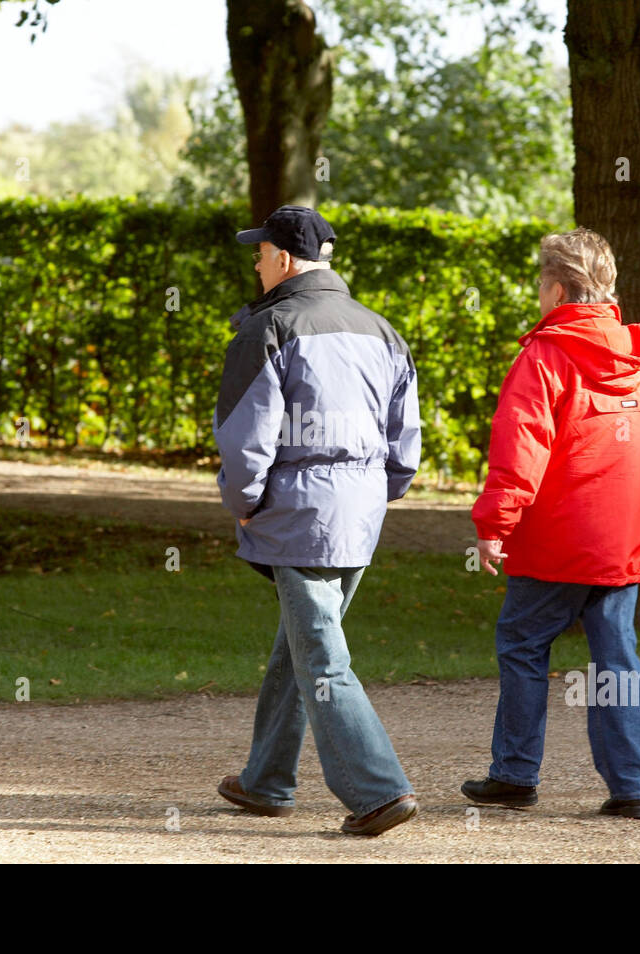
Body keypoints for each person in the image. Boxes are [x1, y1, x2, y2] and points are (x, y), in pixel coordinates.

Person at [212, 205, 422, 836]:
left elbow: (245, 440)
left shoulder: (267, 328)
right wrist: (375, 494)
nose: (255, 262)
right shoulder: (381, 329)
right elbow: (404, 445)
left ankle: (378, 791)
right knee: (301, 644)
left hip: (296, 513)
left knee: (322, 656)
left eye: (260, 252)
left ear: (283, 258)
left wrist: (243, 505)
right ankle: (266, 781)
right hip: (358, 514)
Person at [462, 227, 640, 820]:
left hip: (556, 540)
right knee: (617, 659)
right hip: (620, 542)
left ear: (557, 288)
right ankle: (631, 785)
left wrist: (494, 525)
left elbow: (519, 449)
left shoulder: (545, 357)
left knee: (524, 645)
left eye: (541, 282)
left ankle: (514, 774)